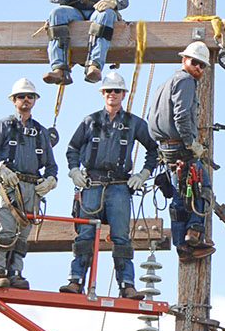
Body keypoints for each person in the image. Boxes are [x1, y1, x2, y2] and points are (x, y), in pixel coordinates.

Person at [59, 70, 157, 298]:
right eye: (108, 91)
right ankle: (76, 281)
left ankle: (127, 284)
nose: (112, 94)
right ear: (103, 94)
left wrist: (143, 174)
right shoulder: (90, 121)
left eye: (116, 91)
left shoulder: (134, 123)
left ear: (123, 94)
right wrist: (74, 170)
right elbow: (72, 148)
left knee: (121, 237)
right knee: (84, 234)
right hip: (92, 183)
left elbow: (154, 150)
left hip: (120, 186)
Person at [0, 77, 57, 289]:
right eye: (21, 96)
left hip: (32, 188)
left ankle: (16, 272)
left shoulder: (40, 132)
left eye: (30, 96)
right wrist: (1, 169)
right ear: (14, 100)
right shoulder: (4, 126)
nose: (26, 100)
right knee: (5, 230)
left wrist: (50, 180)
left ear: (35, 100)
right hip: (9, 187)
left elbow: (51, 165)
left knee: (22, 234)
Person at [147, 40, 214, 261]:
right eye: (195, 62)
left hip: (166, 148)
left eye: (202, 65)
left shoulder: (165, 84)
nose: (198, 68)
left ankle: (183, 246)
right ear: (184, 60)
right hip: (178, 146)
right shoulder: (185, 80)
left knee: (180, 194)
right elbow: (182, 115)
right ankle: (194, 232)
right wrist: (190, 142)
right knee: (200, 186)